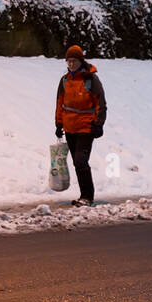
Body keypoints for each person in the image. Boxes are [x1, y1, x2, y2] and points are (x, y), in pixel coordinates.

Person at [54, 45, 106, 206]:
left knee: (81, 161)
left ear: (80, 61)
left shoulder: (91, 80)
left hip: (86, 127)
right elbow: (59, 103)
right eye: (68, 61)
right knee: (78, 163)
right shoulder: (64, 80)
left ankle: (87, 196)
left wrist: (99, 124)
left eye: (73, 61)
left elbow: (101, 103)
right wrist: (58, 123)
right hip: (69, 128)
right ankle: (84, 196)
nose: (71, 64)